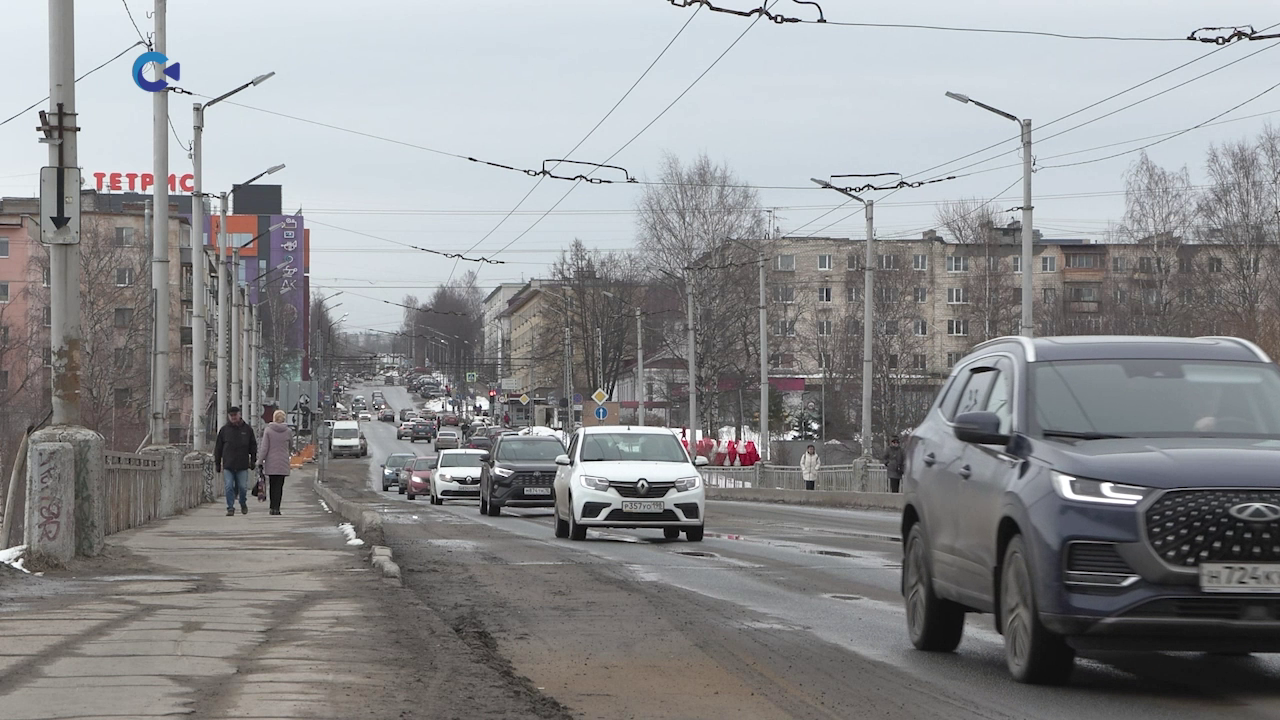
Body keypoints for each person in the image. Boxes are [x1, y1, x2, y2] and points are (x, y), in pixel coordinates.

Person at [214, 406, 257, 516]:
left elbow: (253, 446)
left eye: (235, 415)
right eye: (231, 415)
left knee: (243, 487)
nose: (233, 417)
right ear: (229, 416)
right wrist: (217, 463)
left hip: (242, 464)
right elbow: (218, 448)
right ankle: (230, 507)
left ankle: (242, 502)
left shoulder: (247, 430)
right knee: (228, 486)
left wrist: (253, 460)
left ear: (239, 415)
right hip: (228, 464)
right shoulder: (224, 430)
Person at [259, 410, 294, 516]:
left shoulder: (268, 431)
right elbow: (291, 445)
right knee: (279, 486)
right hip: (283, 462)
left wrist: (260, 461)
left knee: (272, 485)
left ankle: (272, 508)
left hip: (271, 461)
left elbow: (264, 448)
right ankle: (277, 508)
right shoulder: (288, 431)